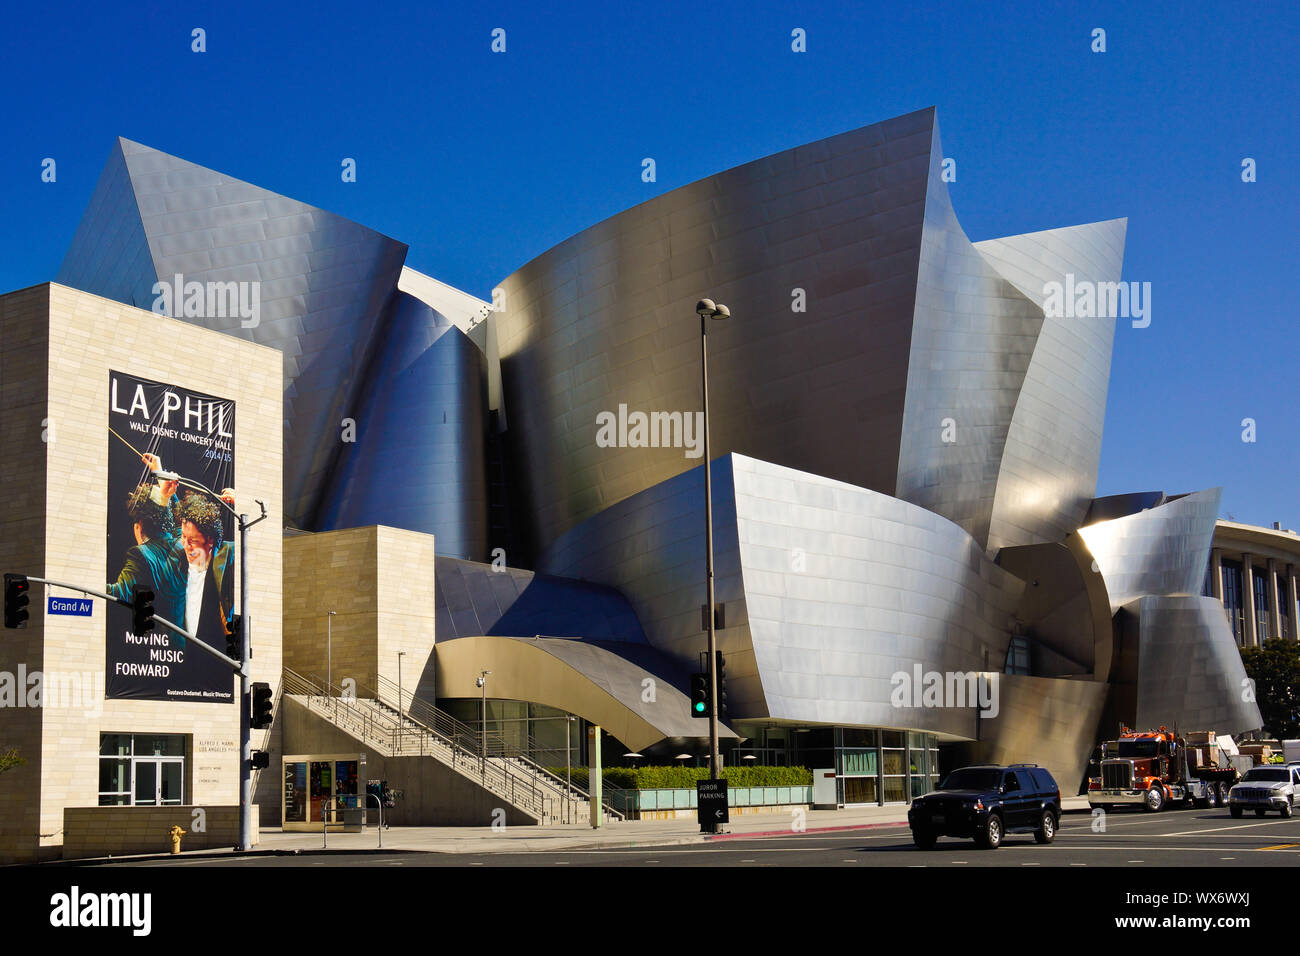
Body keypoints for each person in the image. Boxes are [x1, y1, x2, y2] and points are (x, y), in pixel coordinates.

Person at [107, 482, 187, 641]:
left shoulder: (140, 554)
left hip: (151, 645)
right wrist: (166, 487)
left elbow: (118, 593)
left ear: (138, 526)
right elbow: (180, 520)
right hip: (180, 646)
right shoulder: (181, 545)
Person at [173, 492, 236, 650]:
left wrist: (244, 505)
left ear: (210, 540)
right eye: (183, 537)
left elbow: (254, 546)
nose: (186, 545)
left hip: (218, 658)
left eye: (193, 540)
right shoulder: (178, 561)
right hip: (183, 657)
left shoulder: (227, 555)